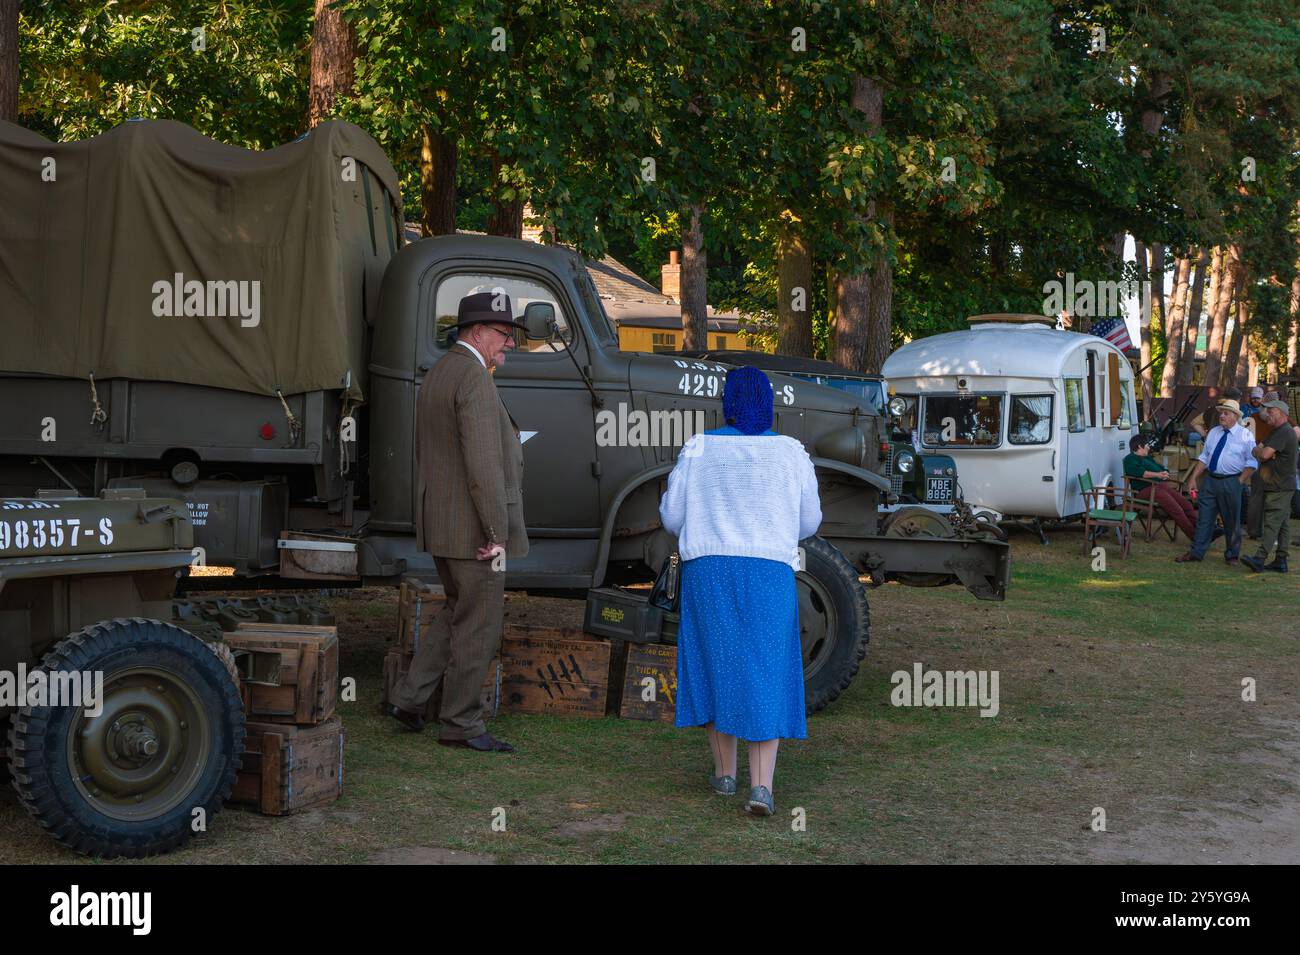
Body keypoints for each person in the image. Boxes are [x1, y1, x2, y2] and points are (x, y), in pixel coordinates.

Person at [659, 366, 821, 817]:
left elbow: (672, 517)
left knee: (716, 663)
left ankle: (724, 773)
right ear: (768, 403)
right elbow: (809, 523)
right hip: (768, 568)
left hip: (710, 569)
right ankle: (762, 787)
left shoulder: (699, 448)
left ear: (726, 403)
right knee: (765, 669)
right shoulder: (792, 453)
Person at [384, 291, 529, 752]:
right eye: (505, 336)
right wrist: (496, 533)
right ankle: (462, 724)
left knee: (454, 612)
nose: (508, 345)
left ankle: (408, 699)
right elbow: (483, 465)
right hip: (474, 531)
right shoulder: (473, 378)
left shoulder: (442, 371)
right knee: (479, 623)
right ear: (479, 332)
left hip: (444, 523)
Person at [1175, 399, 1257, 565]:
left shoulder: (1245, 435)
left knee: (1231, 520)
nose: (1222, 415)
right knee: (1204, 518)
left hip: (1231, 481)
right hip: (1211, 481)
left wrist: (1239, 481)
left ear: (1235, 416)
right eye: (1221, 412)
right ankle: (1196, 552)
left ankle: (1232, 555)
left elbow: (1252, 462)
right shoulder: (1213, 432)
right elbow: (1205, 457)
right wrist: (1193, 478)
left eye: (1226, 413)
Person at [1241, 400, 1296, 573]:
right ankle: (1281, 560)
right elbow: (1259, 451)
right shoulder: (1277, 431)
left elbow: (1262, 453)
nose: (1266, 414)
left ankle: (1259, 558)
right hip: (1280, 485)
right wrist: (1262, 453)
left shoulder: (1283, 432)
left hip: (1279, 486)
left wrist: (1262, 453)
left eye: (1271, 411)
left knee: (1272, 523)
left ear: (1281, 413)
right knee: (1283, 524)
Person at [1122, 435, 1197, 540]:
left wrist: (1165, 473)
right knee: (1176, 509)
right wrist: (1158, 475)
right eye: (1147, 445)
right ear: (1140, 446)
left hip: (1160, 487)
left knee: (1186, 504)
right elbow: (1140, 472)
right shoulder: (1130, 459)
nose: (1149, 447)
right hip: (1144, 491)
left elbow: (1162, 468)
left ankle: (1203, 532)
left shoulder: (1148, 458)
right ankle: (1195, 537)